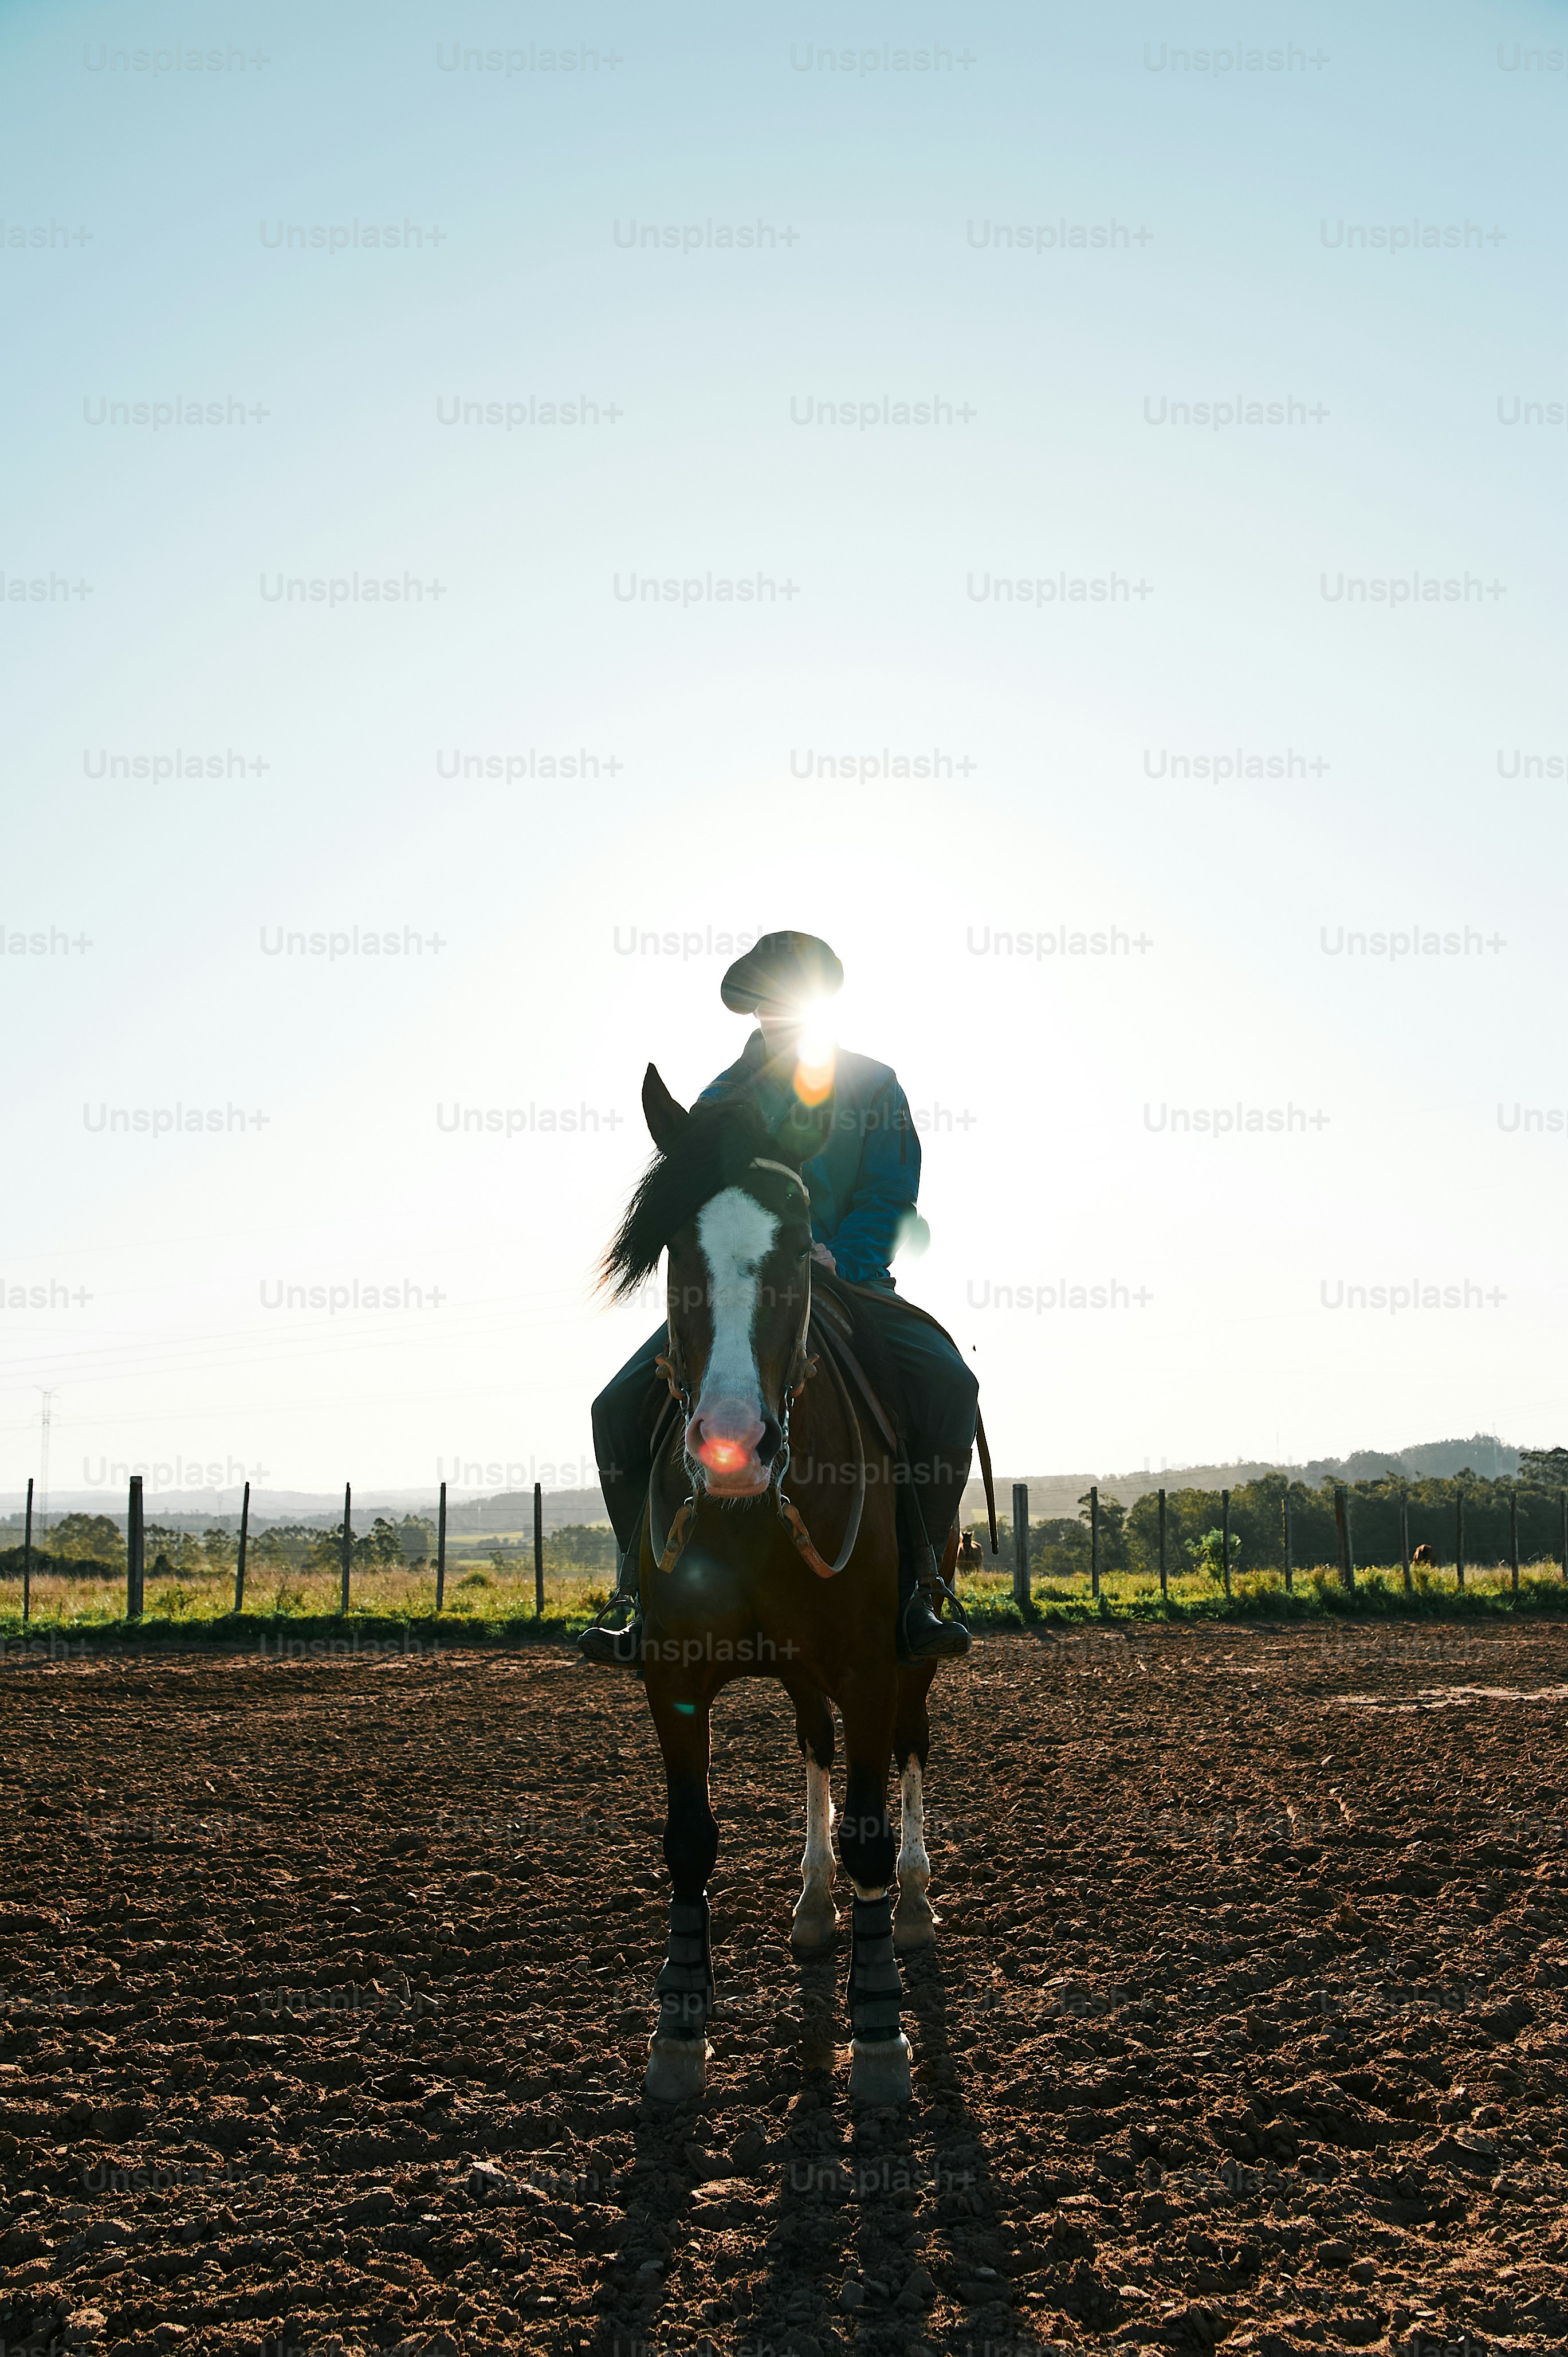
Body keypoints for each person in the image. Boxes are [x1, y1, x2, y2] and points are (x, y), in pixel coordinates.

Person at [581, 930, 978, 1666]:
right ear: (753, 1008)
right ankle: (638, 1593)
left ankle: (921, 1583)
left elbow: (891, 1195)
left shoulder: (873, 1085)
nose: (777, 1012)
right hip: (741, 1296)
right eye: (764, 999)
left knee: (952, 1386)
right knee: (613, 1411)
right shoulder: (717, 1099)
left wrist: (843, 1255)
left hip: (850, 1284)